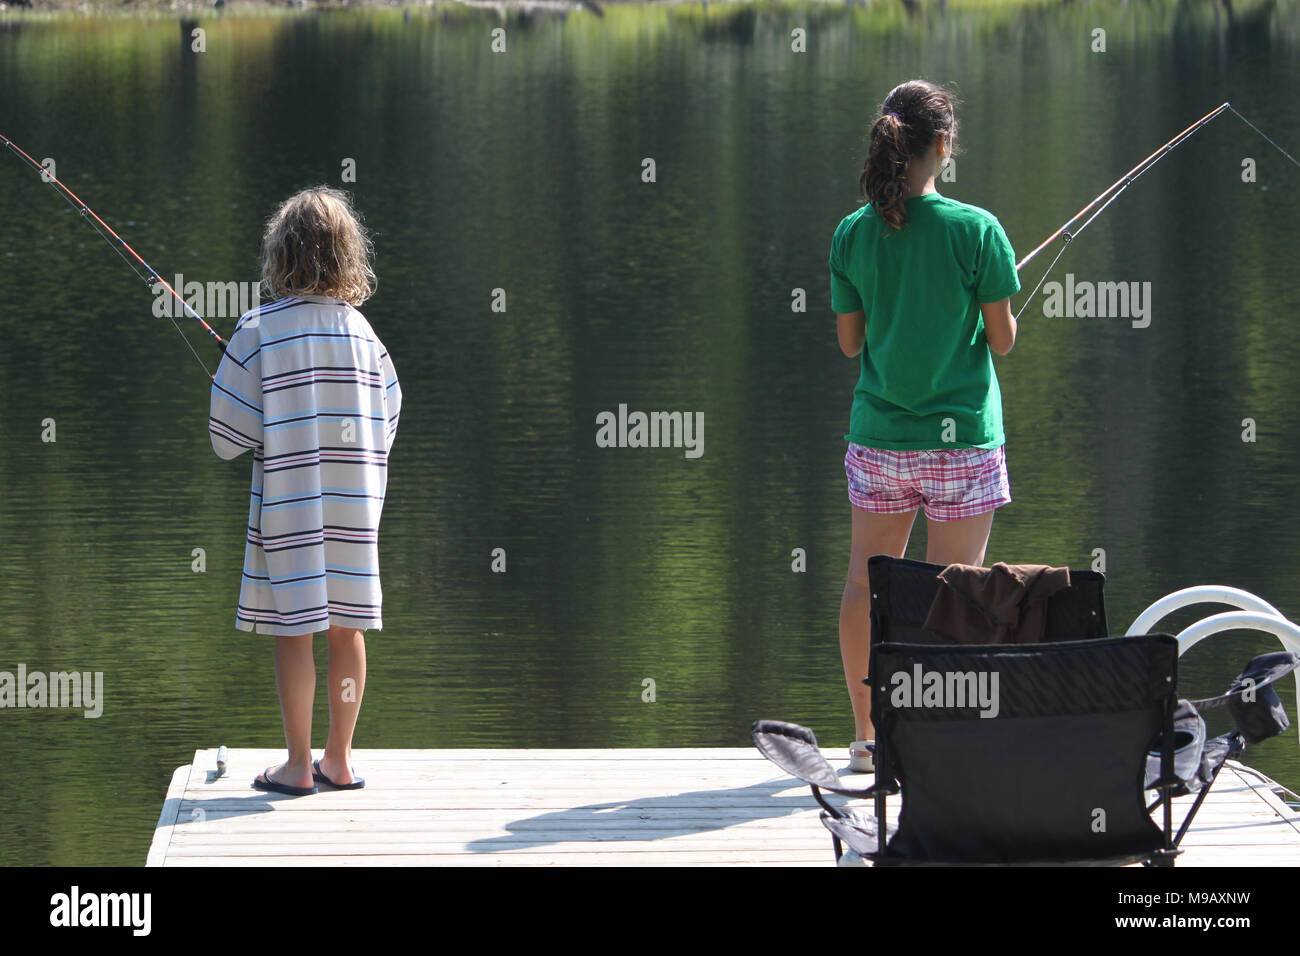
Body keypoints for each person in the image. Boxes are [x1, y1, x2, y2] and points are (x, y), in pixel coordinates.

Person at [830, 81, 1019, 772]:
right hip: (962, 443)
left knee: (862, 583)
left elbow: (852, 345)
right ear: (944, 144)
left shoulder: (853, 233)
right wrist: (979, 301)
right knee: (955, 589)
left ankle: (867, 739)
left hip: (881, 440)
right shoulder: (978, 230)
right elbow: (1002, 343)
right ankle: (941, 740)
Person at [208, 186, 401, 795]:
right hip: (355, 508)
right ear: (348, 256)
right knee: (348, 630)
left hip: (292, 506)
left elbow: (225, 438)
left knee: (295, 631)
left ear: (279, 255)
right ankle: (338, 760)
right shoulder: (365, 335)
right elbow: (390, 417)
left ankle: (297, 767)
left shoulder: (258, 328)